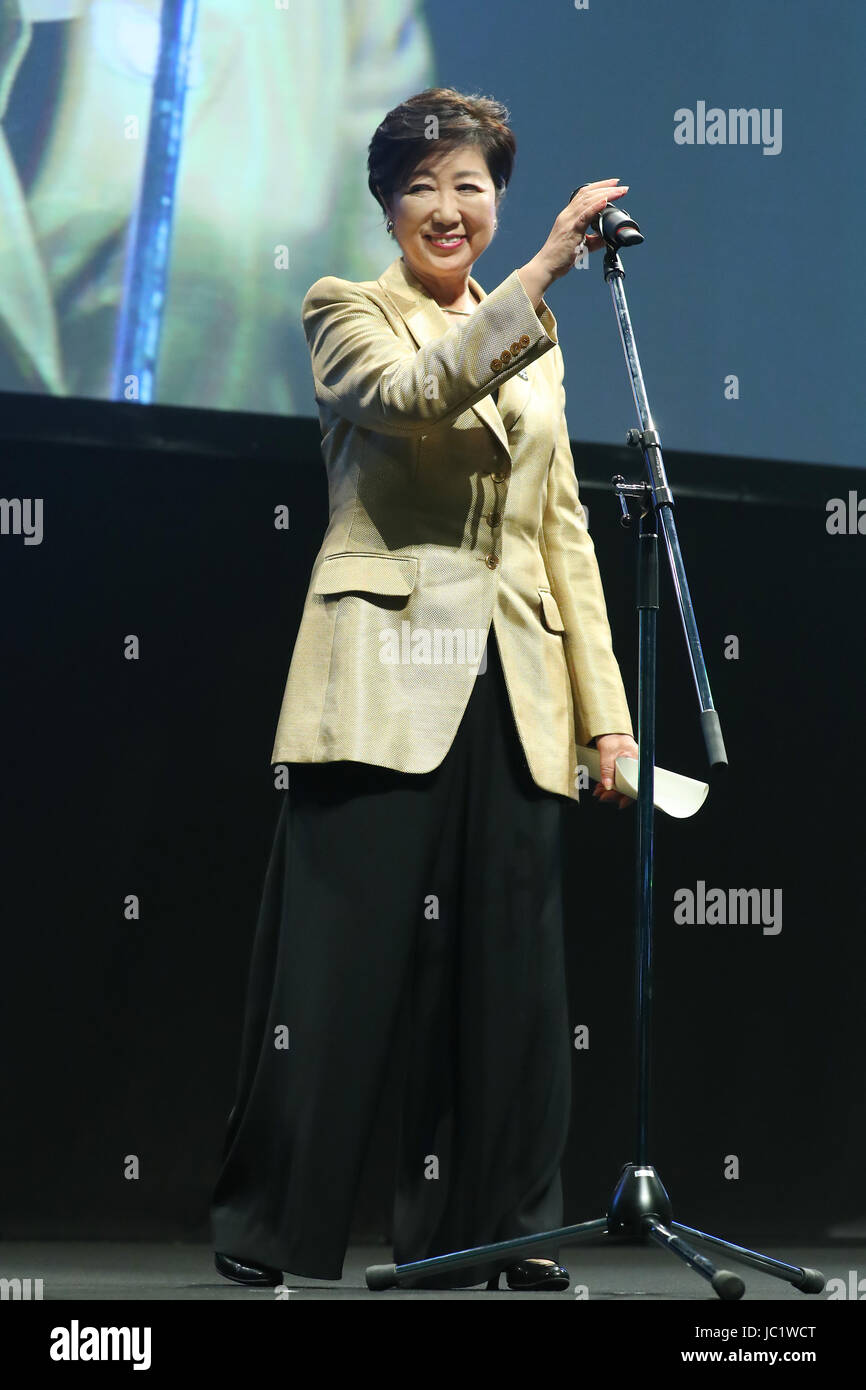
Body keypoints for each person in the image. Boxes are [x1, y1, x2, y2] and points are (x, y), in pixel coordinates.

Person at [210, 86, 638, 1293]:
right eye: (423, 187)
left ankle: (495, 1234)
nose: (449, 209)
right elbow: (409, 401)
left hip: (517, 684)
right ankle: (271, 1233)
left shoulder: (531, 347)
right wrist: (544, 270)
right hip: (384, 675)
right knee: (332, 981)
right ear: (387, 205)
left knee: (512, 984)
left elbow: (560, 534)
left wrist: (603, 712)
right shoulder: (346, 310)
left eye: (471, 186)